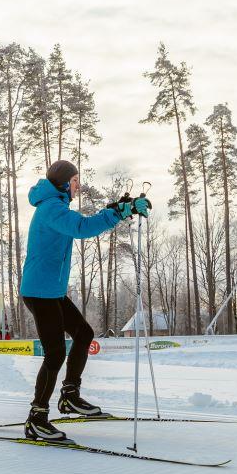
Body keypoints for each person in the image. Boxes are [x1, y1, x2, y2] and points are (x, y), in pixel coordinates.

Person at [20, 160, 150, 441]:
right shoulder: (51, 208)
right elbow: (81, 227)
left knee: (83, 333)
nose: (78, 185)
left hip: (50, 290)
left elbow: (82, 223)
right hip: (39, 291)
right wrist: (117, 213)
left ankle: (69, 396)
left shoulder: (56, 206)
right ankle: (37, 418)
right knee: (55, 353)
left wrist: (117, 210)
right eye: (75, 181)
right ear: (65, 183)